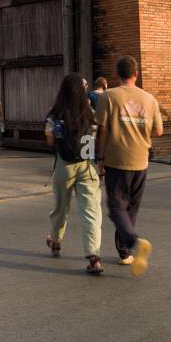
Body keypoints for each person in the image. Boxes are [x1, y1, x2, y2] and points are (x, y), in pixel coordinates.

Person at [95, 55, 161, 276]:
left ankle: (134, 242)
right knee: (130, 208)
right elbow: (159, 131)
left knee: (116, 208)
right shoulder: (150, 99)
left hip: (117, 160)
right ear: (136, 74)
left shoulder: (109, 97)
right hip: (141, 160)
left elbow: (102, 129)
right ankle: (125, 252)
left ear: (117, 74)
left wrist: (100, 158)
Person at [44, 74, 104, 275]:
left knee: (61, 207)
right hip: (87, 166)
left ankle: (55, 240)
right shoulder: (90, 112)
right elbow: (96, 136)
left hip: (65, 165)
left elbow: (51, 141)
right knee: (91, 212)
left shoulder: (55, 114)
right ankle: (94, 257)